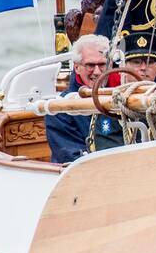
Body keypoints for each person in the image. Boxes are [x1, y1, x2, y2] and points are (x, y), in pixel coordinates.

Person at [46, 34, 123, 164]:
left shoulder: (122, 98)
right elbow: (70, 156)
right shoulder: (60, 108)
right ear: (76, 67)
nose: (97, 72)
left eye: (102, 65)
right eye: (90, 65)